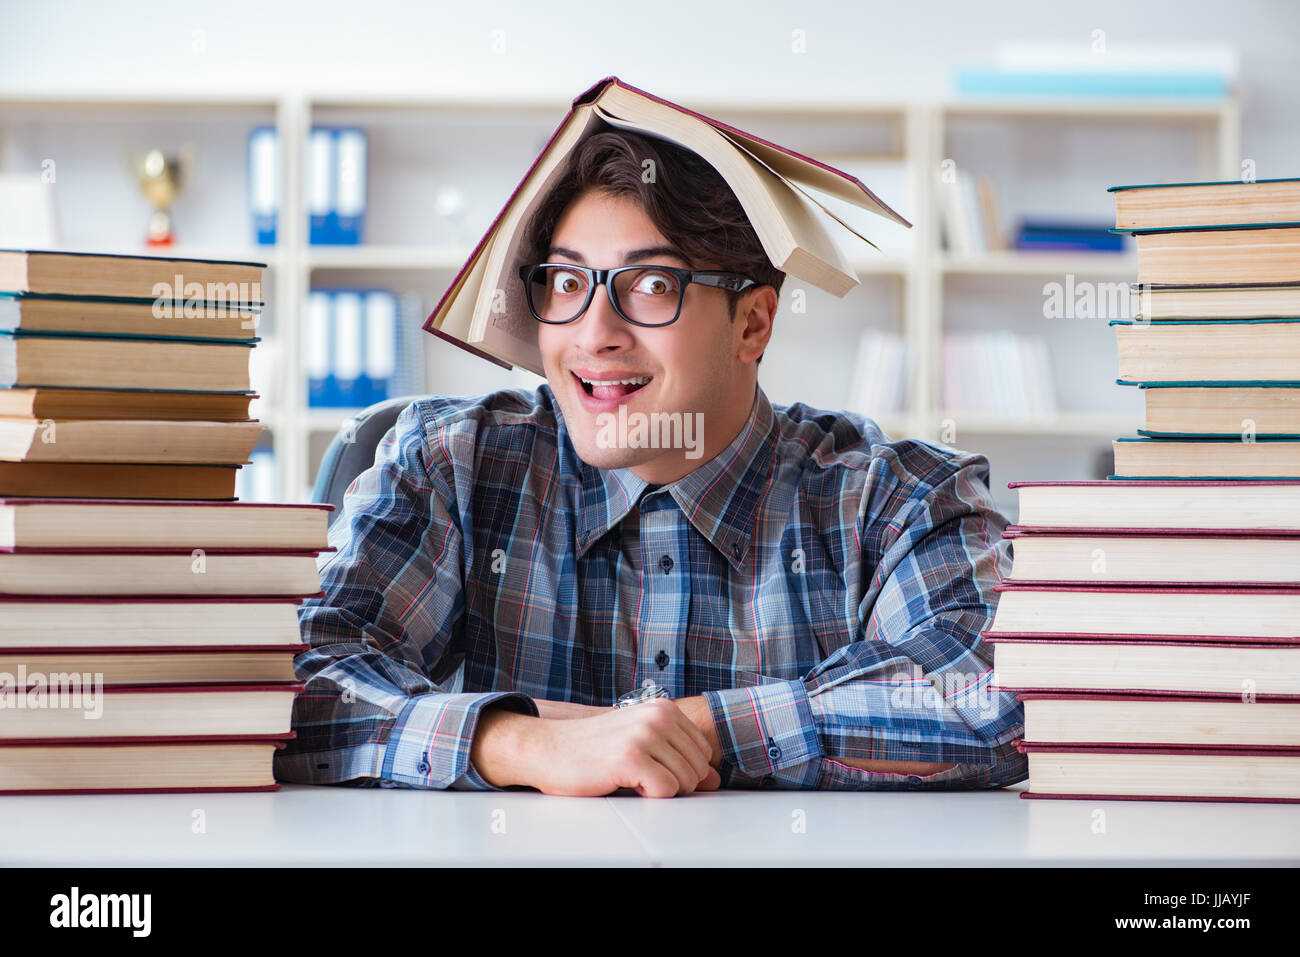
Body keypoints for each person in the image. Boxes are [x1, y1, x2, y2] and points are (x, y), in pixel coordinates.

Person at [273, 126, 1028, 797]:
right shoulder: (455, 464)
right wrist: (525, 741)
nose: (593, 332)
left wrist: (688, 730)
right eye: (567, 282)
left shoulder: (898, 499)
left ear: (754, 322)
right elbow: (297, 678)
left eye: (651, 286)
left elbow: (990, 691)